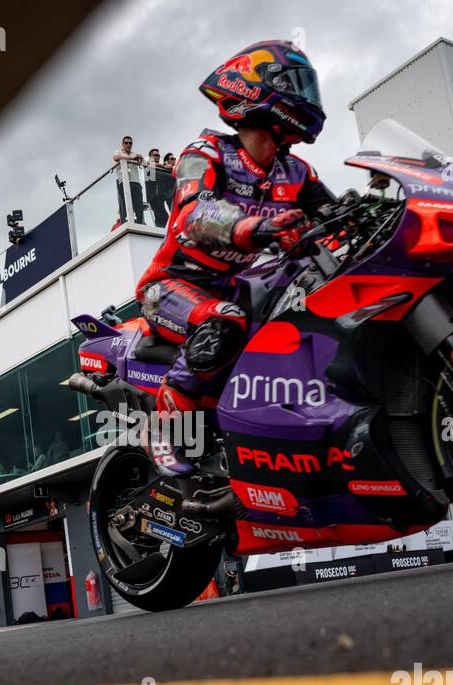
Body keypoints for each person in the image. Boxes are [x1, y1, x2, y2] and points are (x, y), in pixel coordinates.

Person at [136, 40, 333, 472]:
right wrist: (254, 229)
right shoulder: (204, 153)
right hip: (170, 286)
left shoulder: (298, 172)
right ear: (259, 90)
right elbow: (193, 212)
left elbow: (334, 218)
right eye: (297, 85)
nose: (308, 97)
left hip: (238, 285)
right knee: (224, 320)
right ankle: (161, 430)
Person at [112, 135, 147, 225]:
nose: (128, 144)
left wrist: (142, 158)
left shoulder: (135, 154)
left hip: (136, 182)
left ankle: (140, 223)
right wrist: (132, 158)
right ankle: (126, 224)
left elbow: (145, 165)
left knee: (139, 205)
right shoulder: (118, 152)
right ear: (123, 144)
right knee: (125, 205)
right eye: (126, 143)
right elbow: (116, 158)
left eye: (130, 143)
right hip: (123, 182)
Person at [145, 148, 173, 227]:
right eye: (155, 155)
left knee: (164, 217)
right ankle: (162, 235)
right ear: (150, 156)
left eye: (159, 156)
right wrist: (165, 166)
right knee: (163, 217)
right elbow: (149, 164)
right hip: (153, 197)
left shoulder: (160, 168)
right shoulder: (148, 165)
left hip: (161, 196)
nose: (157, 157)